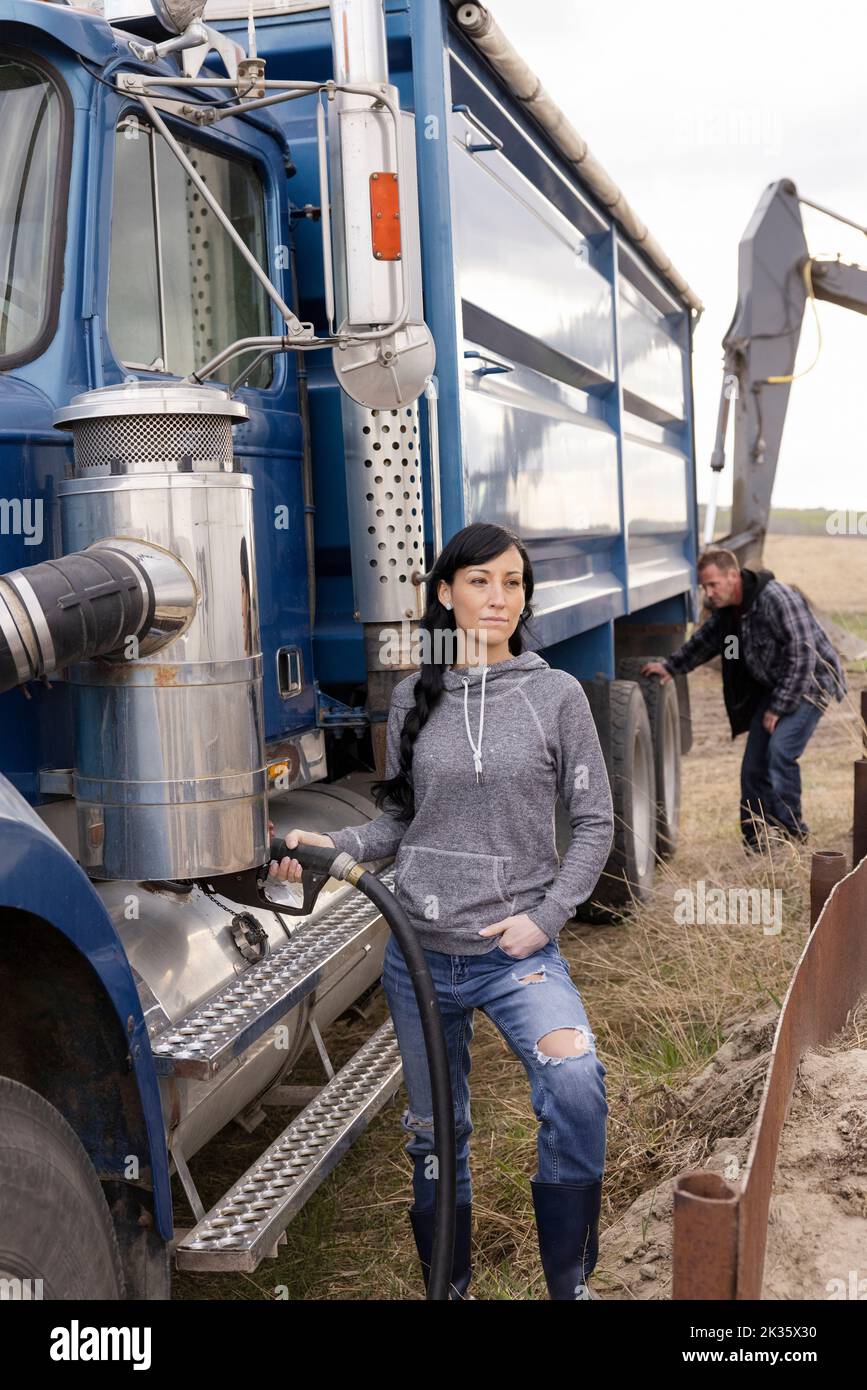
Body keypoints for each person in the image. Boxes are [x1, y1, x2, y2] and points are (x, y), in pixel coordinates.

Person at [269, 522, 614, 1300]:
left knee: (574, 1084)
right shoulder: (412, 696)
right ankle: (447, 1290)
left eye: (513, 583)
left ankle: (569, 1284)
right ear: (444, 594)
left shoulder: (555, 696)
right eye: (481, 581)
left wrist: (547, 917)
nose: (499, 597)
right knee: (433, 1133)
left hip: (512, 953)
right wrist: (329, 840)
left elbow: (595, 823)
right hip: (417, 956)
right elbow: (398, 821)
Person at [641, 547, 847, 850]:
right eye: (703, 586)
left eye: (713, 584)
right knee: (753, 767)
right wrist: (671, 667)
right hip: (775, 686)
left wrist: (778, 708)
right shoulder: (728, 614)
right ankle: (757, 839)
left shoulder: (777, 598)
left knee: (780, 752)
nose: (708, 593)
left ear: (733, 576)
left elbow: (804, 655)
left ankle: (793, 834)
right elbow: (704, 643)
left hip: (811, 683)